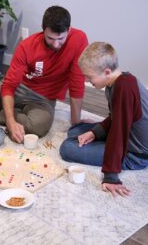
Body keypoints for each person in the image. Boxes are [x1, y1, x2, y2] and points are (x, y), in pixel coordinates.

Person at [0, 5, 88, 143]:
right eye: (51, 38)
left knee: (38, 126)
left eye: (61, 39)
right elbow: (9, 85)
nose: (56, 44)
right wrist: (10, 122)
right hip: (19, 88)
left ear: (68, 30)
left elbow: (77, 83)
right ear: (43, 29)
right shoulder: (27, 46)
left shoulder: (79, 39)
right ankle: (4, 110)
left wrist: (76, 124)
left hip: (44, 99)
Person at [60, 42, 148, 197]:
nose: (87, 81)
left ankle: (107, 153)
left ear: (106, 72)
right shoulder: (117, 81)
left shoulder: (123, 88)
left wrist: (111, 175)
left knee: (67, 148)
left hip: (135, 154)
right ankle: (97, 140)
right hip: (127, 136)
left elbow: (119, 131)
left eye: (89, 76)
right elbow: (116, 116)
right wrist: (95, 133)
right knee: (76, 129)